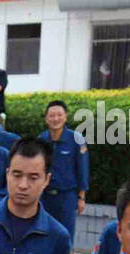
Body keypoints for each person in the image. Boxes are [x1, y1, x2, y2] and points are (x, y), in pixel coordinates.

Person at [38, 100, 88, 243]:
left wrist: (81, 197)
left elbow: (82, 169)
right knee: (44, 234)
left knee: (66, 237)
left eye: (59, 115)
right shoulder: (41, 140)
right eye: (52, 115)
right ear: (47, 119)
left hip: (67, 196)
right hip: (45, 196)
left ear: (65, 117)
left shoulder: (77, 140)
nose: (55, 119)